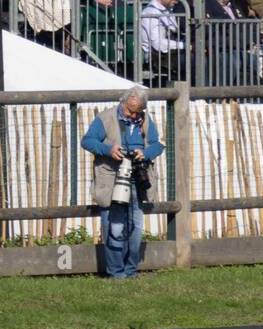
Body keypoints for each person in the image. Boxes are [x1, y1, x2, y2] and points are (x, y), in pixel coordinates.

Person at [81, 85, 165, 278]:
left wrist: (145, 154)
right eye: (131, 111)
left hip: (136, 178)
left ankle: (131, 271)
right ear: (123, 102)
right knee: (115, 227)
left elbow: (157, 145)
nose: (134, 115)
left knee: (135, 228)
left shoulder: (145, 120)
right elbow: (87, 141)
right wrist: (108, 150)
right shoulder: (105, 118)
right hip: (111, 180)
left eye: (138, 112)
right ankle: (116, 273)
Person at [140, 0, 187, 85]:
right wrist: (185, 45)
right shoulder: (150, 12)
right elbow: (158, 44)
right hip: (157, 58)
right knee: (196, 61)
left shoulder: (168, 10)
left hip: (170, 54)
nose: (176, 1)